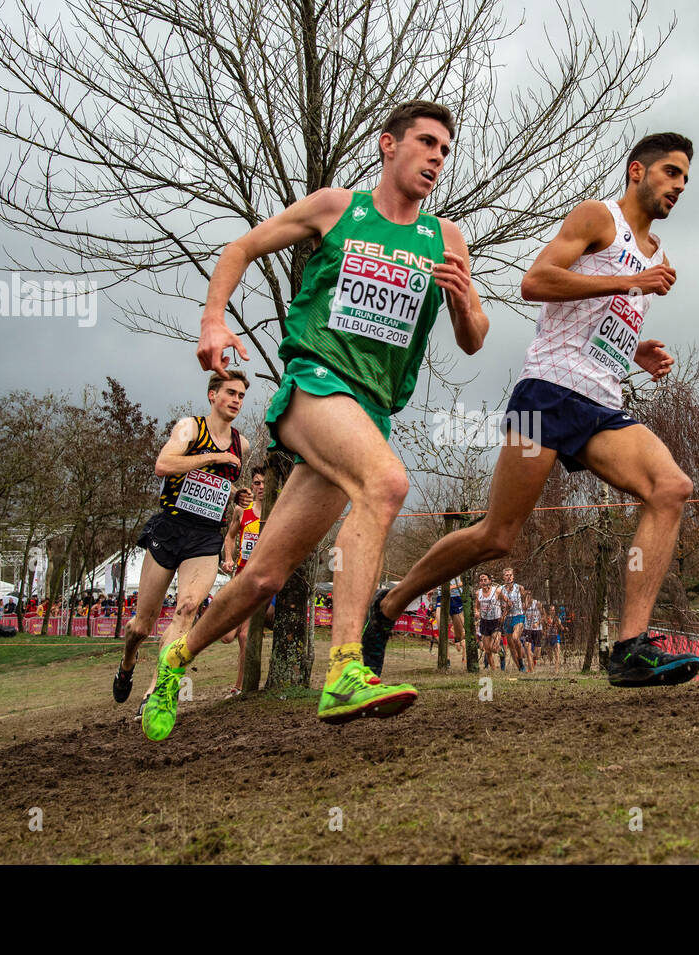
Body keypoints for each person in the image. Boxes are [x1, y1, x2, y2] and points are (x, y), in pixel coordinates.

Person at [138, 100, 490, 739]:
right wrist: (214, 320)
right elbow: (241, 247)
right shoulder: (338, 208)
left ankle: (175, 658)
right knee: (385, 484)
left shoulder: (445, 240)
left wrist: (464, 301)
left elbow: (474, 340)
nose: (439, 157)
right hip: (314, 386)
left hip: (368, 412)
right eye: (427, 143)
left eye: (446, 149)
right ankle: (346, 668)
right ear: (389, 145)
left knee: (265, 577)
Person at [361, 133, 699, 688]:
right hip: (545, 394)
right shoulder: (598, 218)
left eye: (686, 179)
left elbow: (598, 318)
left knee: (671, 488)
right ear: (637, 171)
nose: (679, 186)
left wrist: (635, 349)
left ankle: (630, 648)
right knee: (497, 536)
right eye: (670, 173)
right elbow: (535, 282)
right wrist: (632, 279)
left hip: (602, 403)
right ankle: (389, 603)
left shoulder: (658, 253)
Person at [110, 370, 250, 709]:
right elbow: (163, 465)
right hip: (170, 528)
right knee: (141, 626)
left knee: (187, 608)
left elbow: (217, 485)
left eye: (241, 396)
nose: (236, 400)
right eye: (230, 393)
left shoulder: (241, 444)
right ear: (212, 395)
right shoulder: (190, 428)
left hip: (205, 538)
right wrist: (213, 456)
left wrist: (236, 496)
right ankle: (128, 662)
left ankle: (156, 691)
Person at [218, 466, 275, 696]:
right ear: (251, 486)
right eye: (257, 483)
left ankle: (240, 687)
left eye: (264, 483)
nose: (261, 487)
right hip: (240, 578)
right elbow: (230, 536)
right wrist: (228, 558)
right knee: (226, 636)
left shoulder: (274, 514)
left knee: (243, 636)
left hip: (259, 582)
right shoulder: (243, 512)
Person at [475, 573, 502, 671]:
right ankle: (494, 670)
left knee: (494, 648)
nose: (483, 582)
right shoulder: (478, 593)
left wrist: (504, 613)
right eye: (481, 580)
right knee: (487, 650)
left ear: (489, 580)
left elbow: (507, 602)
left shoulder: (497, 591)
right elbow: (476, 606)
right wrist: (477, 612)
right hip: (484, 622)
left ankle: (500, 649)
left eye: (485, 580)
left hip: (496, 621)